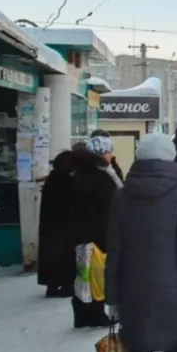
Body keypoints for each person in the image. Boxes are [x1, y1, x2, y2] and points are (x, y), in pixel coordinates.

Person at [105, 133, 177, 352]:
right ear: (170, 158)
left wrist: (112, 298)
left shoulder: (121, 197)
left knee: (138, 349)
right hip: (175, 293)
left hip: (131, 292)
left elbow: (114, 253)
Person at [67, 136, 122, 328]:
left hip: (85, 233)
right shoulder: (97, 176)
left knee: (85, 274)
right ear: (100, 154)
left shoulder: (83, 173)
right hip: (94, 234)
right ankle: (94, 314)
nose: (111, 155)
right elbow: (105, 206)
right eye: (109, 151)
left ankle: (84, 314)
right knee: (95, 275)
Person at [37, 150, 77, 298]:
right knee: (64, 256)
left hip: (50, 226)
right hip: (64, 227)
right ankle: (66, 285)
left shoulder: (52, 179)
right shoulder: (67, 181)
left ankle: (52, 285)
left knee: (51, 257)